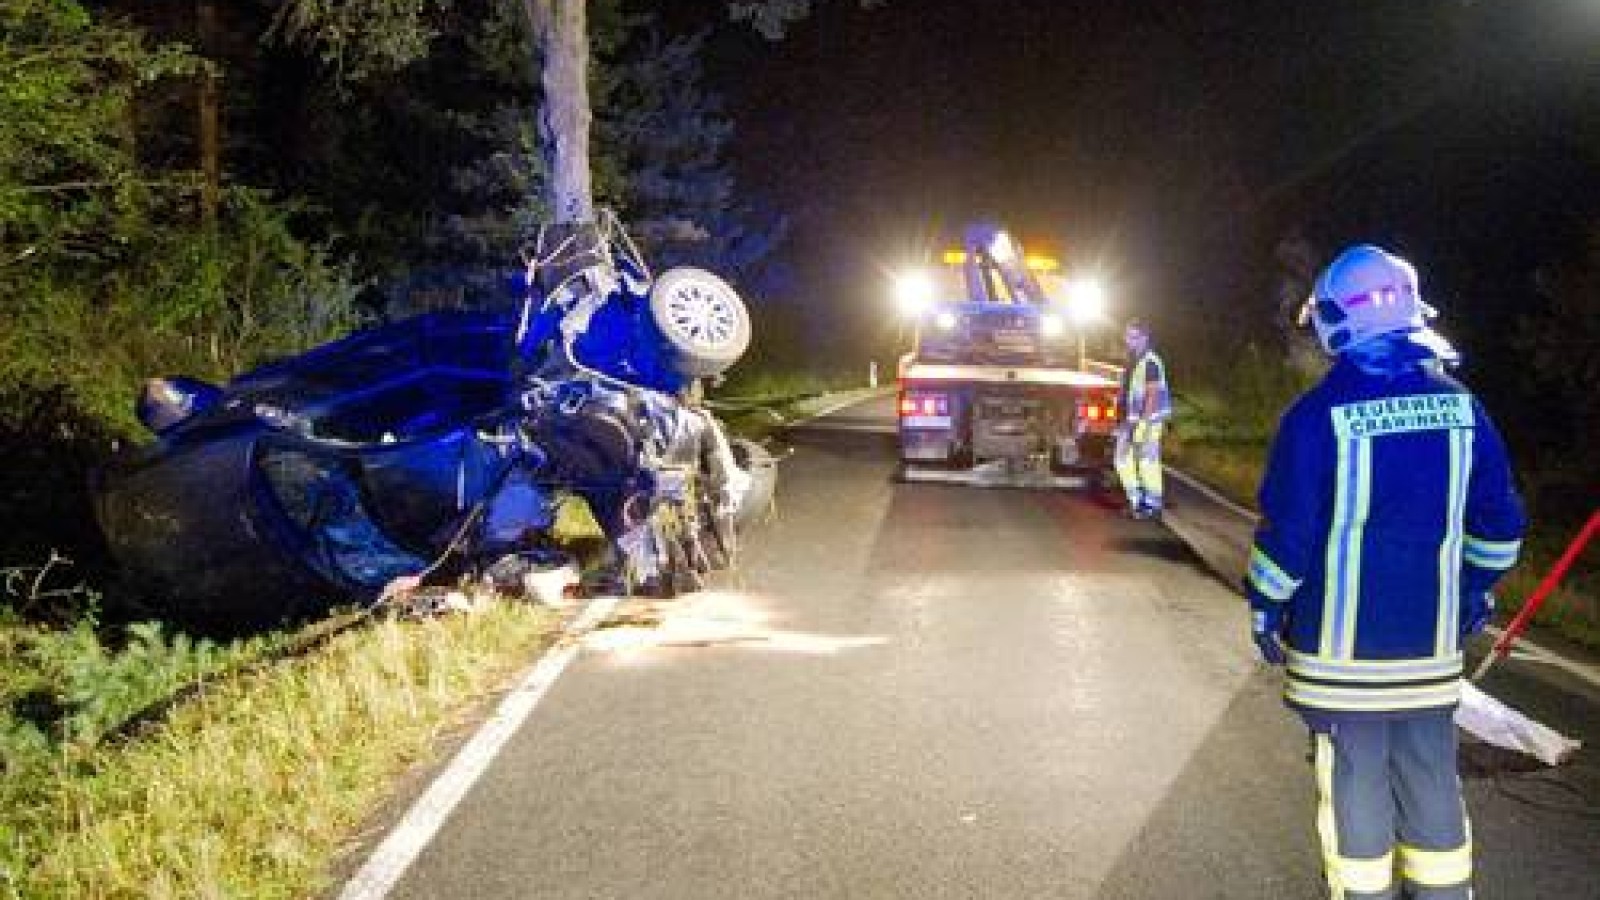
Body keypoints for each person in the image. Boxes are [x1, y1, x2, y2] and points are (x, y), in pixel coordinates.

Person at [1247, 244, 1527, 900]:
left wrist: (1265, 602)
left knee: (1354, 782)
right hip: (1431, 654)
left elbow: (1287, 540)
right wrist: (1471, 591)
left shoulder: (1315, 418)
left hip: (1341, 661)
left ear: (1337, 321)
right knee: (1432, 775)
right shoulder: (1465, 409)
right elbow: (1502, 527)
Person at [1114, 318, 1170, 519]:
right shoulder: (1132, 359)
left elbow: (1152, 394)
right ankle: (1137, 502)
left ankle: (1152, 506)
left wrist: (1144, 424)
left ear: (1145, 338)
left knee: (1147, 462)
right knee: (1122, 460)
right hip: (1130, 421)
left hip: (1147, 421)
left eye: (1134, 336)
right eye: (1127, 336)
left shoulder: (1151, 362)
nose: (1129, 340)